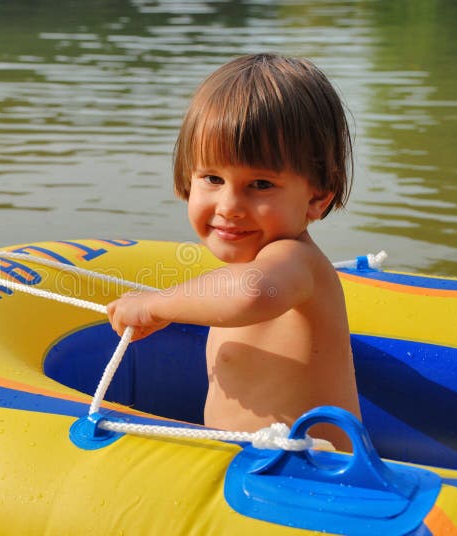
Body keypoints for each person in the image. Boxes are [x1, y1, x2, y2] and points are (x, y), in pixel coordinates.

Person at [106, 53, 360, 451]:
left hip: (309, 479)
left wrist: (155, 305)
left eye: (260, 184)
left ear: (316, 198)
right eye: (212, 178)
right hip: (250, 471)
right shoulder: (254, 264)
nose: (229, 205)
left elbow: (252, 293)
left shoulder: (296, 261)